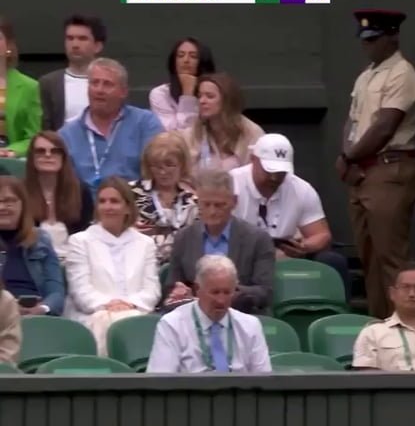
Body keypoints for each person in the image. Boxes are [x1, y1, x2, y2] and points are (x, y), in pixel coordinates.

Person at [337, 8, 415, 318]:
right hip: (364, 171)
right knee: (369, 259)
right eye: (365, 39)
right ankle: (380, 328)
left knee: (392, 258)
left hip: (390, 169)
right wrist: (346, 154)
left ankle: (409, 329)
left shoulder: (403, 74)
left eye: (374, 39)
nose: (368, 45)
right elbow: (353, 122)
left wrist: (349, 157)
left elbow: (386, 126)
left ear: (392, 36)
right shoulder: (366, 76)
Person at [231, 133, 350, 297]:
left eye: (280, 172)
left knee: (332, 261)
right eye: (269, 170)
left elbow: (322, 234)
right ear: (253, 159)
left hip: (284, 256)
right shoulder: (231, 183)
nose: (274, 177)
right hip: (239, 257)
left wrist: (305, 247)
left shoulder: (301, 188)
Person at [63, 177, 161, 353]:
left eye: (114, 201)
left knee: (134, 322)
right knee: (108, 322)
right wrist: (109, 305)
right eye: (102, 201)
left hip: (136, 311)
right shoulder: (80, 241)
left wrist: (129, 304)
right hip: (92, 315)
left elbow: (151, 290)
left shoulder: (145, 243)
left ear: (128, 207)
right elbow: (81, 291)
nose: (107, 207)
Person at [164, 168, 274, 315]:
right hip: (193, 316)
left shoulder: (258, 239)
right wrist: (179, 291)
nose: (212, 211)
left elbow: (265, 291)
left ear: (234, 202)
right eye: (206, 204)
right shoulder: (183, 238)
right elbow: (172, 285)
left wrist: (226, 293)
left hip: (242, 315)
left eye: (219, 205)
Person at [146, 254, 272, 373]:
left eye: (227, 292)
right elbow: (160, 381)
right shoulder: (172, 325)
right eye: (215, 292)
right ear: (197, 289)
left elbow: (265, 380)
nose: (221, 300)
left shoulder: (250, 326)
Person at [58, 58, 165, 194]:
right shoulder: (66, 135)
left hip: (134, 206)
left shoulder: (145, 123)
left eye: (107, 84)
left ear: (123, 92)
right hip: (83, 210)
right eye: (94, 83)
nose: (99, 90)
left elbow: (158, 173)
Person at [0, 176, 66, 317]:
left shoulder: (41, 239)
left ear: (23, 205)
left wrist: (42, 308)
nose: (2, 207)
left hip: (37, 317)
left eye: (9, 201)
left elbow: (56, 291)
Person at [23, 130, 94, 259]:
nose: (48, 155)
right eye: (40, 151)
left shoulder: (81, 191)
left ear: (63, 157)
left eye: (55, 151)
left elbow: (87, 237)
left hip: (75, 261)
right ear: (32, 157)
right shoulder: (21, 192)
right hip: (33, 262)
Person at [129, 132, 197, 265]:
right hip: (138, 266)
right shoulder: (131, 193)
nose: (162, 172)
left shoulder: (193, 202)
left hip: (180, 271)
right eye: (156, 165)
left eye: (169, 165)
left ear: (182, 165)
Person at [181, 72, 263, 173]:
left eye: (209, 96)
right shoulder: (193, 132)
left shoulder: (252, 133)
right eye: (199, 96)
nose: (202, 101)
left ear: (226, 101)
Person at [39, 14, 106, 130]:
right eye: (70, 38)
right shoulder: (49, 83)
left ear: (97, 46)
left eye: (82, 39)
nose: (75, 45)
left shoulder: (110, 82)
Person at [148, 37, 216, 132]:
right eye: (180, 55)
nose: (186, 60)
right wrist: (187, 95)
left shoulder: (216, 93)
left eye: (193, 56)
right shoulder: (160, 94)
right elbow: (175, 134)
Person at [0, 16, 43, 158]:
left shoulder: (30, 87)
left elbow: (33, 137)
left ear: (9, 46)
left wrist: (11, 151)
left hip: (10, 165)